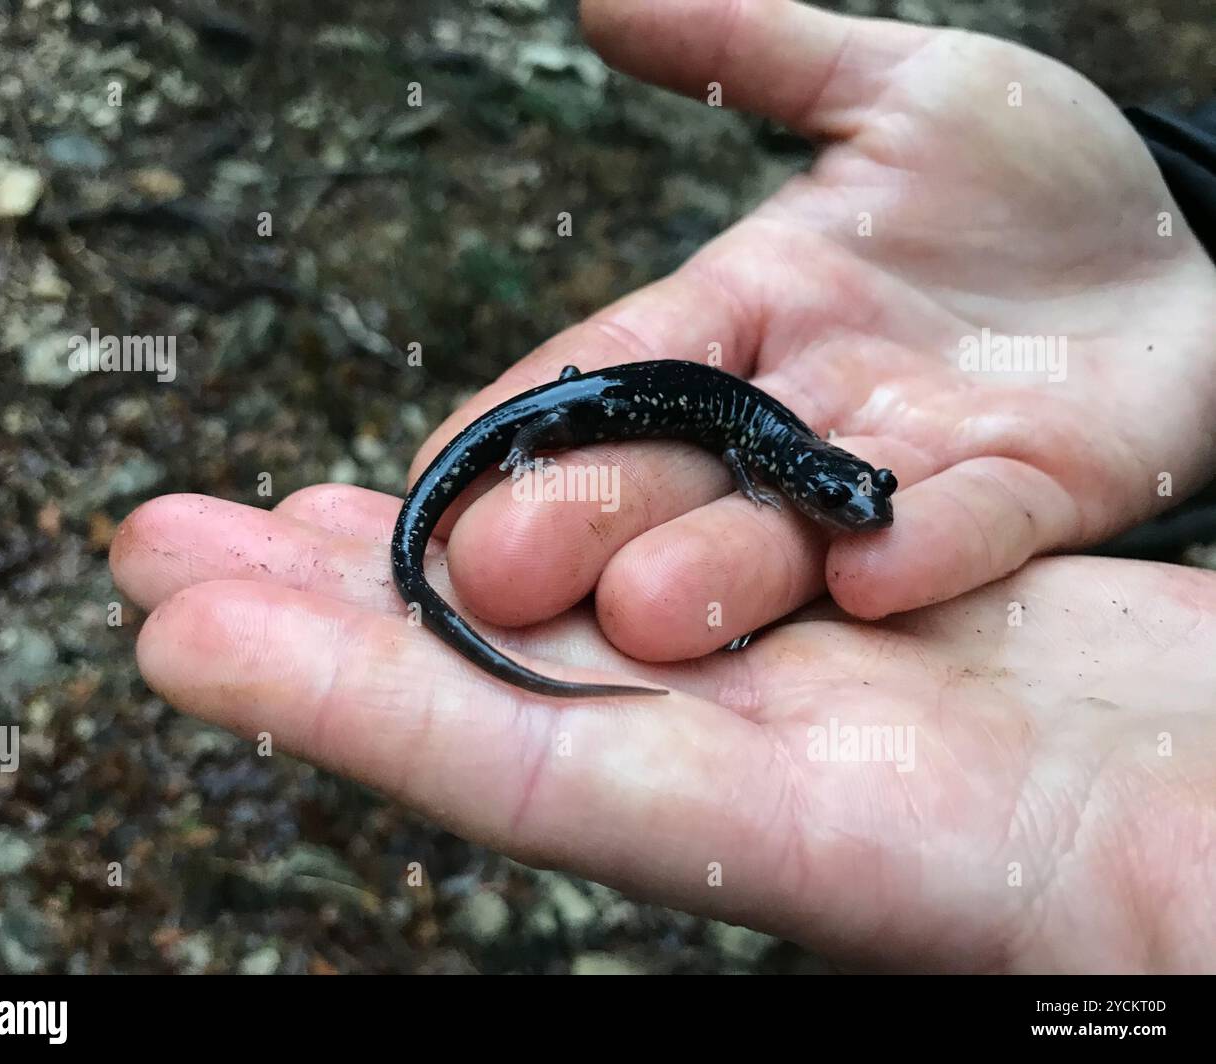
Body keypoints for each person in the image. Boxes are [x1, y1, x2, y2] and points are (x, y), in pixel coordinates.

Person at [111, 0, 1216, 971]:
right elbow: (740, 450)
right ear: (802, 475)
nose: (860, 510)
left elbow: (763, 453)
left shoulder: (788, 457)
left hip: (608, 402)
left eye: (859, 496)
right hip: (564, 415)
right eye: (847, 497)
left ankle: (443, 552)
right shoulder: (772, 458)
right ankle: (420, 557)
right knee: (509, 485)